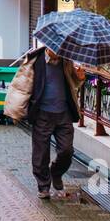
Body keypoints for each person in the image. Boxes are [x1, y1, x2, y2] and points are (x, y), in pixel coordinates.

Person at [24, 45, 85, 200]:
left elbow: (74, 84)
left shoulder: (66, 61)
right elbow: (22, 85)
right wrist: (16, 109)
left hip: (63, 113)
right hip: (42, 114)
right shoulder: (34, 60)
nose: (58, 53)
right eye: (55, 50)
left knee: (67, 150)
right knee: (41, 153)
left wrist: (80, 77)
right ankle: (43, 186)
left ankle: (56, 172)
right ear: (47, 48)